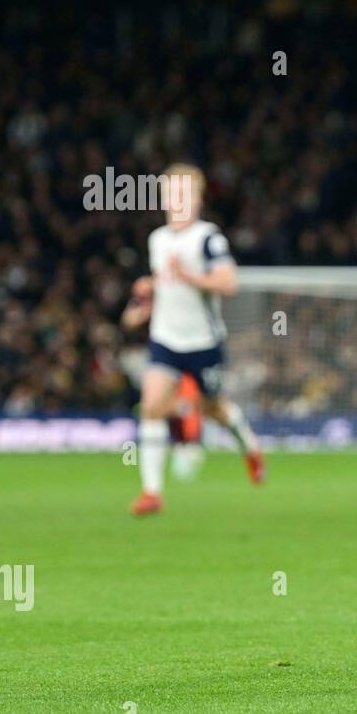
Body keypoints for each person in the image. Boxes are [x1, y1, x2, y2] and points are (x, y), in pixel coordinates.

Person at [125, 163, 264, 516]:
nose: (177, 200)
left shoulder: (208, 237)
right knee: (152, 405)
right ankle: (152, 492)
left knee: (214, 409)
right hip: (165, 338)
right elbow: (164, 282)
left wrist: (190, 276)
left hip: (204, 341)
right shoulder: (157, 239)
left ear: (198, 199)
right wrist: (148, 295)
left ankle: (249, 445)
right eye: (171, 194)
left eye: (184, 194)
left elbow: (228, 283)